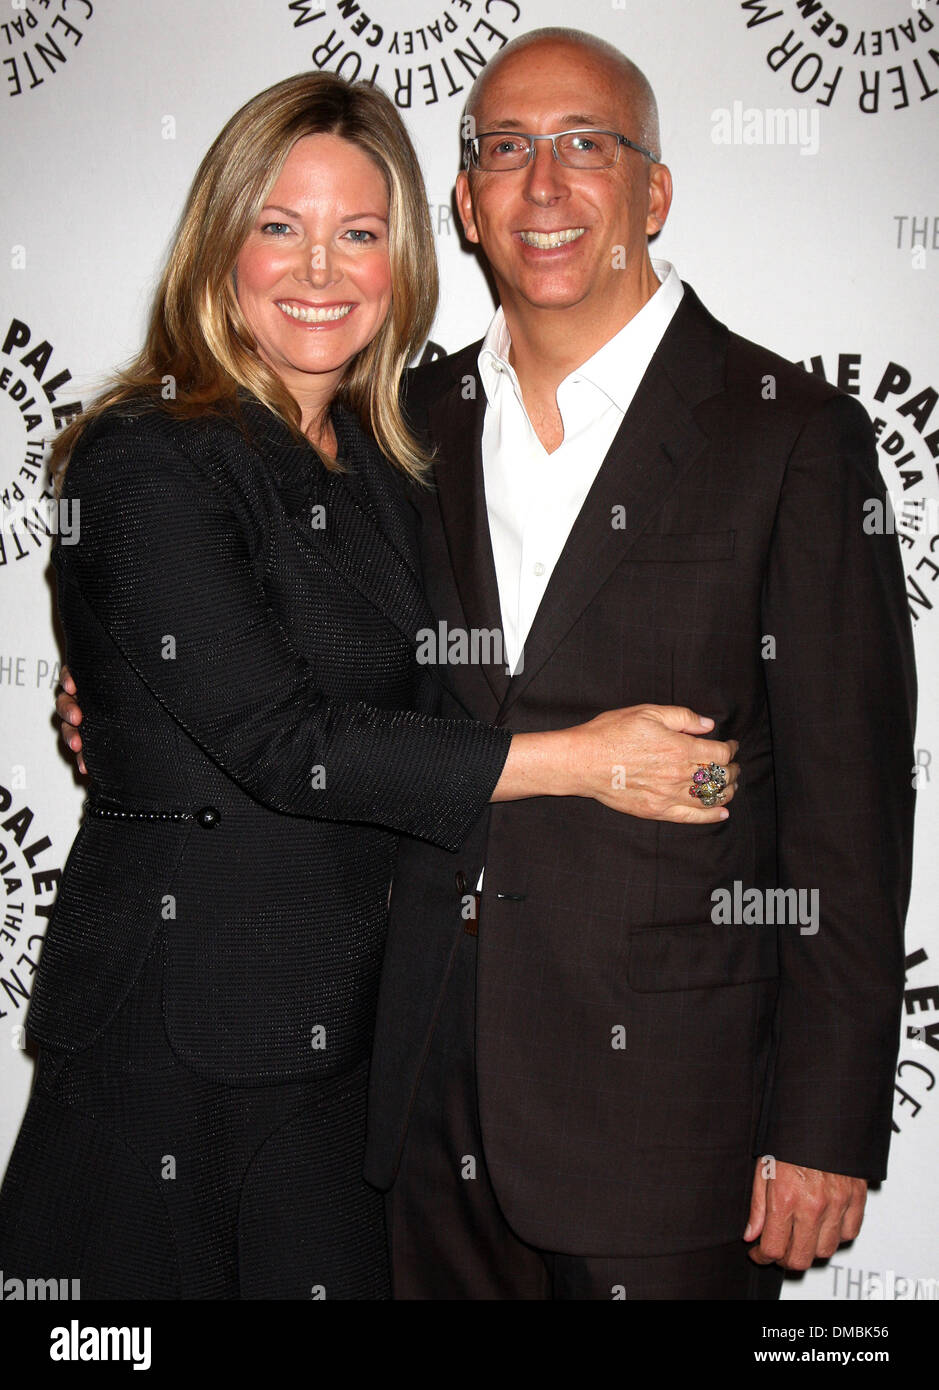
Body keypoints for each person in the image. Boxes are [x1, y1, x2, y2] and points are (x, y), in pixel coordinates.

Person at [2, 69, 740, 1300]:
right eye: (279, 227)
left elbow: (426, 693)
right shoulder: (149, 454)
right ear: (219, 241)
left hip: (349, 1041)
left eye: (358, 234)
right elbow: (279, 734)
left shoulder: (391, 458)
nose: (320, 271)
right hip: (170, 1039)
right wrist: (587, 760)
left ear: (404, 254)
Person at [353, 30, 916, 1299]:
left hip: (674, 1124)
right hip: (423, 1106)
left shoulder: (793, 437)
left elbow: (848, 809)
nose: (543, 186)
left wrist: (825, 1124)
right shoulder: (403, 425)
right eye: (506, 150)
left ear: (652, 193)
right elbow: (336, 698)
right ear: (466, 201)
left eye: (586, 146)